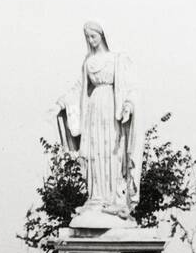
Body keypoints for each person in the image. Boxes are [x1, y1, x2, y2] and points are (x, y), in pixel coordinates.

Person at [56, 21, 143, 221]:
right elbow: (78, 88)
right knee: (95, 151)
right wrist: (61, 103)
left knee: (112, 151)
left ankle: (113, 198)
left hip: (112, 109)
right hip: (93, 111)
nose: (90, 40)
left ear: (102, 36)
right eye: (87, 37)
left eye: (93, 36)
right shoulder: (88, 62)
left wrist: (128, 105)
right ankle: (96, 197)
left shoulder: (116, 59)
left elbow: (130, 87)